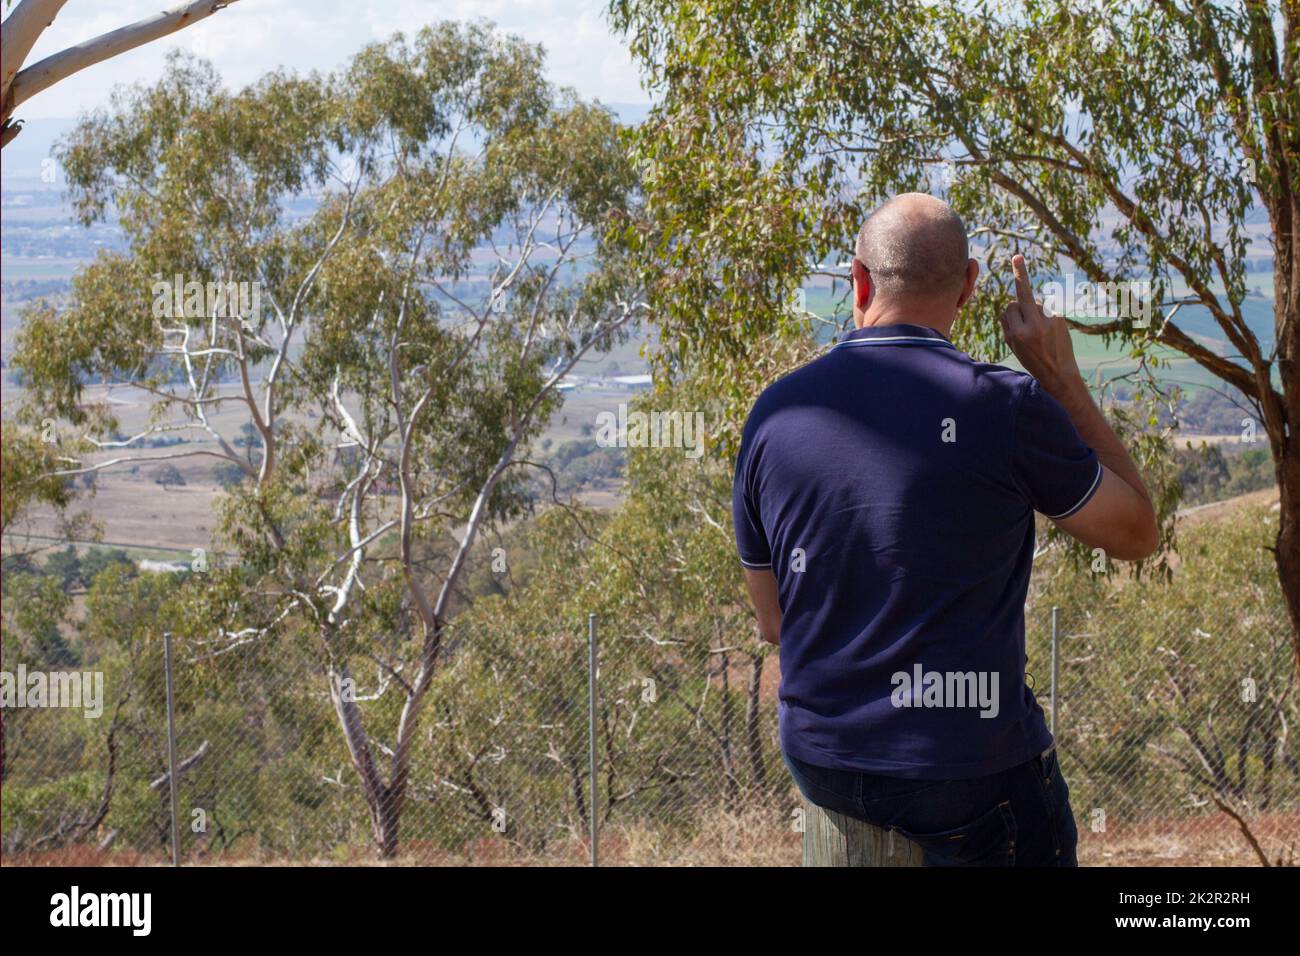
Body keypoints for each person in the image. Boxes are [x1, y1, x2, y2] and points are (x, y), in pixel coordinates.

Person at [732, 193, 1157, 866]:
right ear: (969, 286)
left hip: (826, 765)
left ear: (859, 280)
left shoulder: (775, 414)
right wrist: (1060, 375)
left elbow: (773, 623)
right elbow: (1136, 531)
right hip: (971, 778)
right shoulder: (1005, 405)